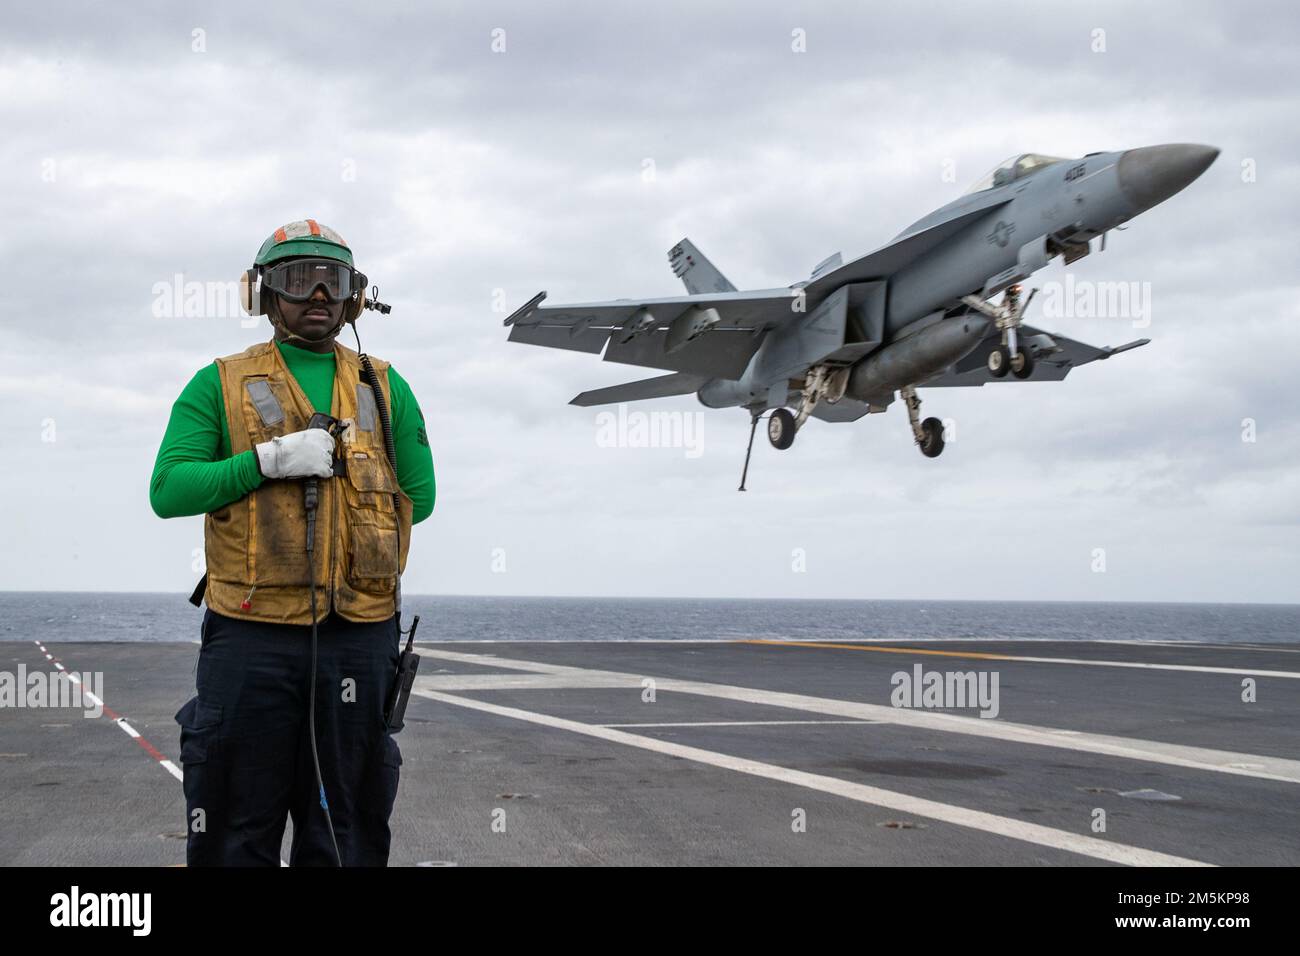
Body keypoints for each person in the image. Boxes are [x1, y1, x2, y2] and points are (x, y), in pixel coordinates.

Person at [149, 220, 435, 866]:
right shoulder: (216, 384)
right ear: (265, 295)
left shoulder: (389, 390)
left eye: (331, 282)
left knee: (346, 837)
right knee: (234, 833)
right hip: (251, 640)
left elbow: (424, 495)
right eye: (299, 280)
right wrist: (266, 462)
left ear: (353, 297)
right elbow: (169, 488)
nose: (317, 296)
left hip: (359, 641)